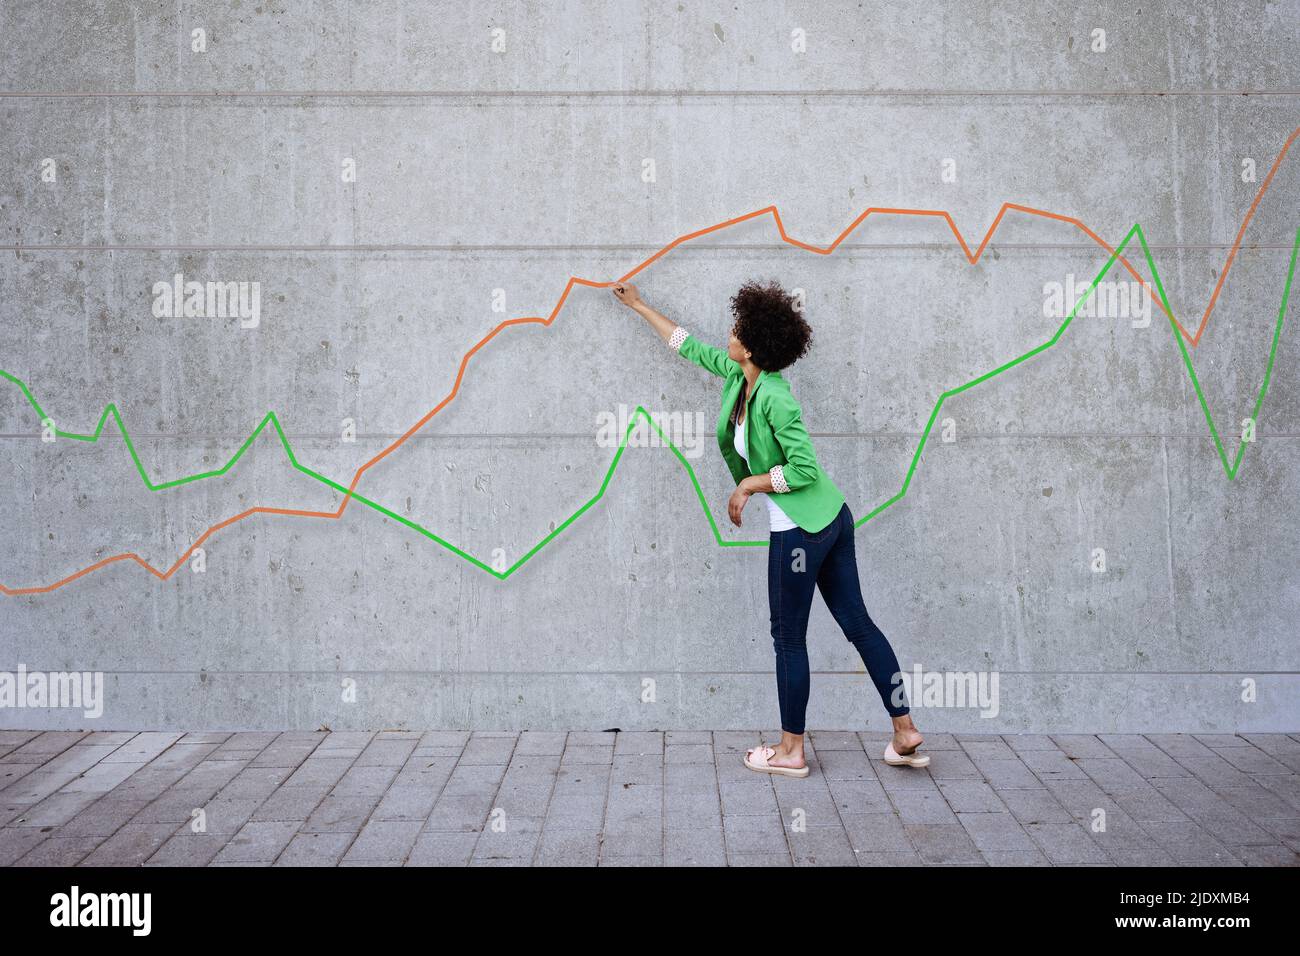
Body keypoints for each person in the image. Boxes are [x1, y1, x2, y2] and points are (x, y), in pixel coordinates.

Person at [613, 278, 927, 777]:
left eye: (737, 328)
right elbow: (687, 347)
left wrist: (748, 486)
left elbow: (803, 468)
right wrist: (639, 306)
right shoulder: (742, 376)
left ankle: (790, 751)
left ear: (753, 344)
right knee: (859, 625)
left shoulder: (776, 397)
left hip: (803, 531)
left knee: (788, 639)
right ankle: (905, 731)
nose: (729, 333)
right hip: (831, 519)